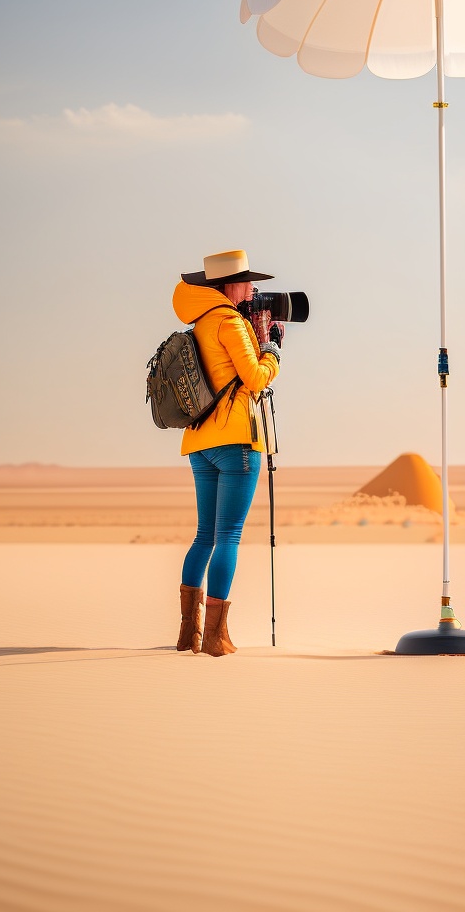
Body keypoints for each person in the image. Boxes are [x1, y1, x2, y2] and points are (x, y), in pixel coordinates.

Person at [172, 249, 281, 657]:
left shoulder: (200, 323)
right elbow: (253, 378)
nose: (253, 289)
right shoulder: (230, 322)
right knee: (228, 536)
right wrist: (271, 351)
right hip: (237, 442)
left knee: (204, 536)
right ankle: (216, 637)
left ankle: (189, 634)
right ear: (228, 286)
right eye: (249, 281)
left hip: (200, 443)